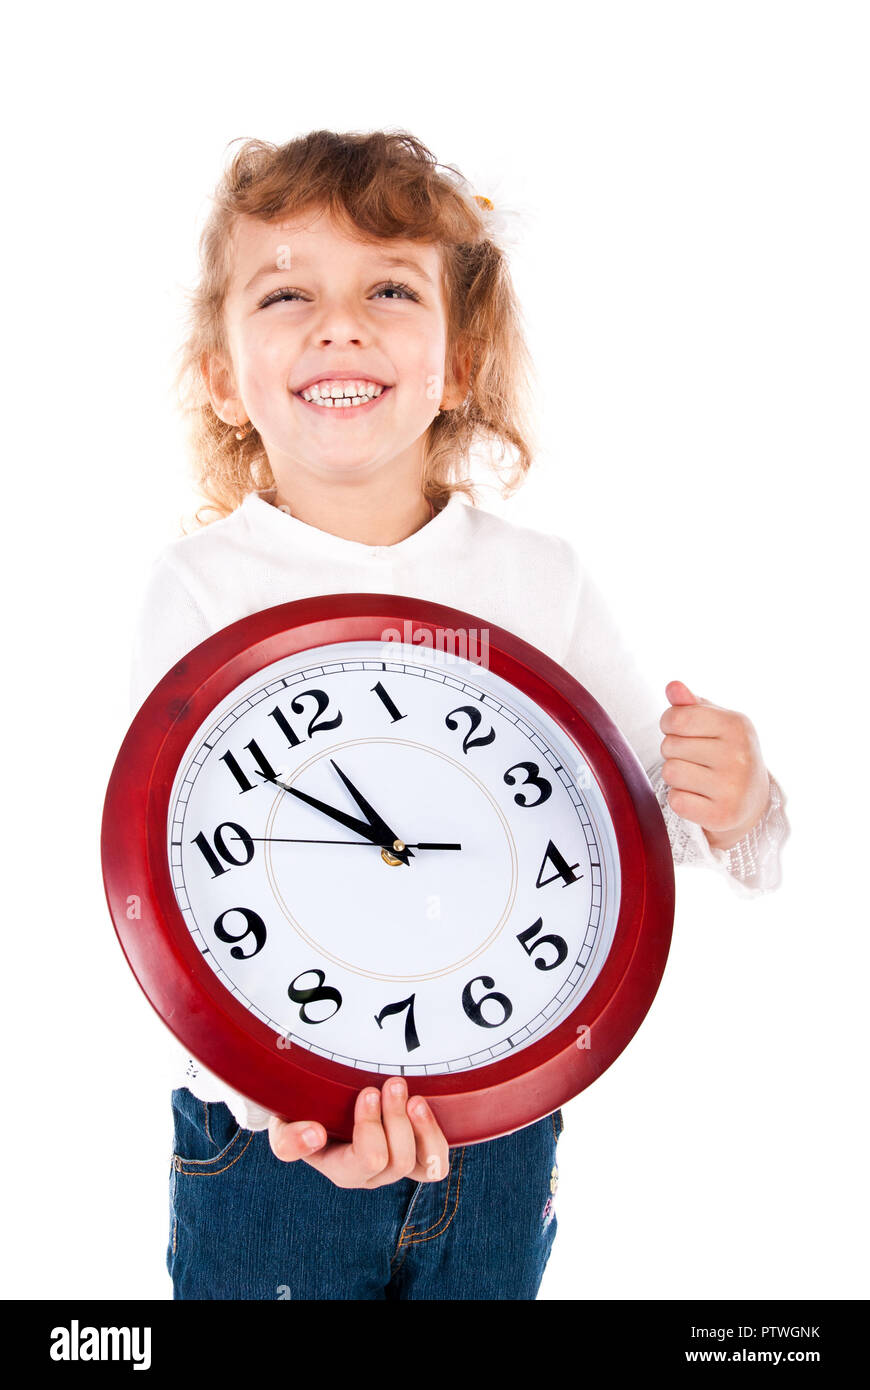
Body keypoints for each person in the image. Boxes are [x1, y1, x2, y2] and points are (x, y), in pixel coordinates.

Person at [128, 129, 790, 1300]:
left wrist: (742, 799)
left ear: (462, 357)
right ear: (224, 374)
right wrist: (291, 1107)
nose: (342, 324)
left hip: (498, 1128)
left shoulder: (543, 581)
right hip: (269, 1146)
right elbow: (160, 893)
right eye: (288, 293)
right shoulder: (201, 591)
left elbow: (649, 833)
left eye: (391, 288)